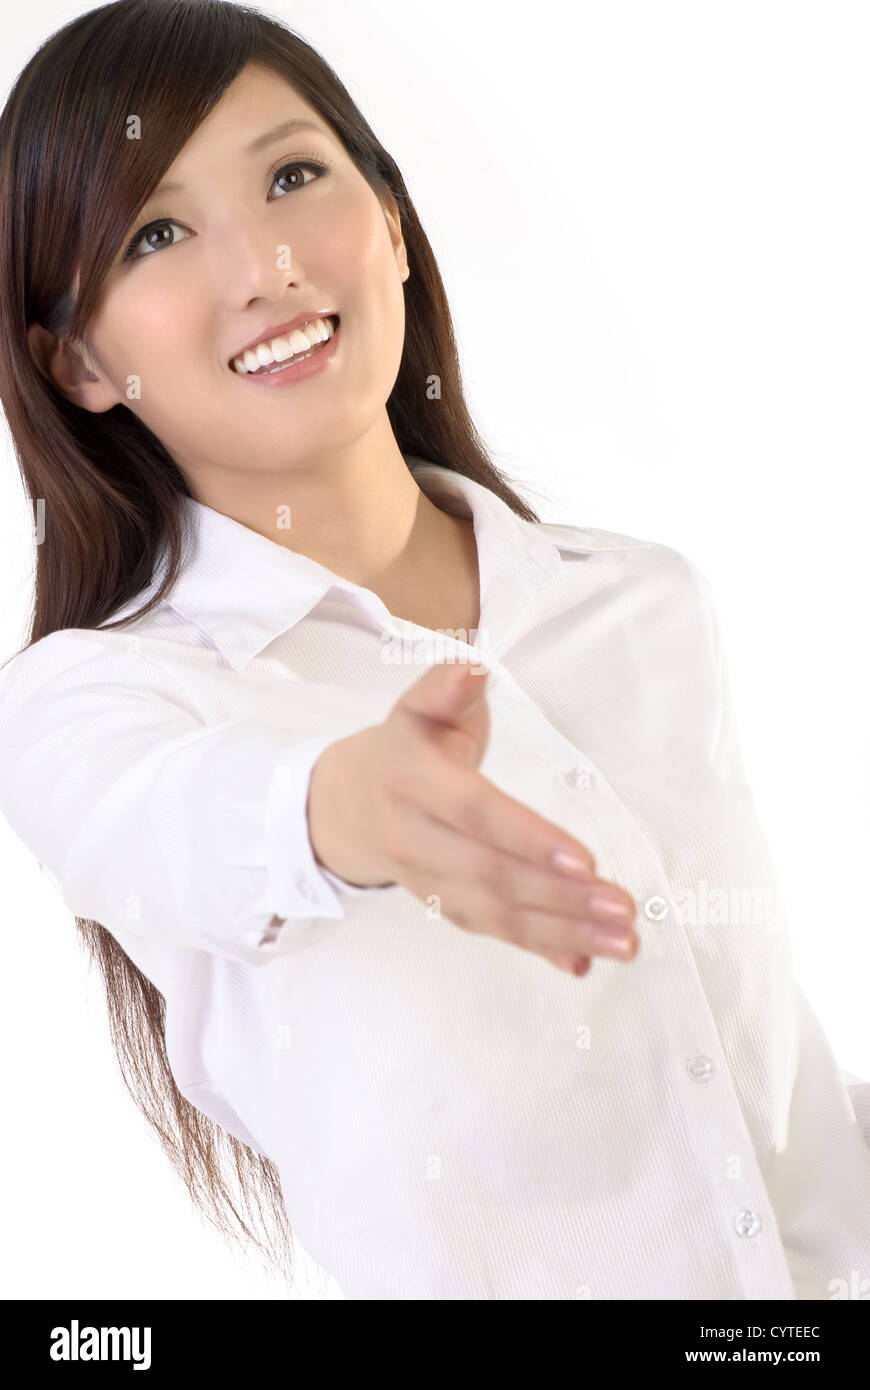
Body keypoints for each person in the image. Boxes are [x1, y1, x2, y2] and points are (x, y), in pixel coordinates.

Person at [1, 0, 868, 1300]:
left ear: (392, 227)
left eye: (294, 174)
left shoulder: (643, 604)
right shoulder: (98, 704)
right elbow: (175, 824)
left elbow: (773, 1099)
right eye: (158, 232)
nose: (264, 265)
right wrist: (343, 808)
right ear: (76, 362)